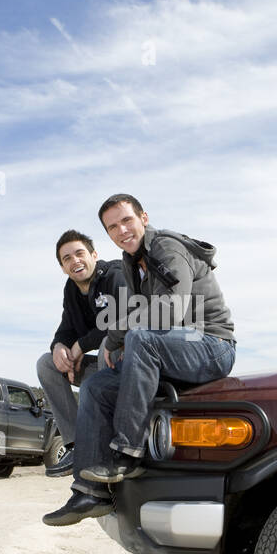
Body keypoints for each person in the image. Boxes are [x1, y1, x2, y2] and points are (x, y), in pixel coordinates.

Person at [43, 194, 236, 525]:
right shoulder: (133, 262)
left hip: (210, 344)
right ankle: (89, 491)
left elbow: (170, 311)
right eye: (112, 227)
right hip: (169, 348)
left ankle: (126, 453)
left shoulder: (167, 248)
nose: (121, 230)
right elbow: (135, 311)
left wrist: (114, 339)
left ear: (143, 218)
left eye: (126, 220)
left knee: (140, 338)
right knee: (97, 384)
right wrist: (112, 343)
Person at [36, 230, 123, 476]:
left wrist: (81, 345)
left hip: (129, 366)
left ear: (94, 255)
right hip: (104, 370)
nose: (74, 261)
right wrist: (59, 347)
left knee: (110, 342)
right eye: (66, 259)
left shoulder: (115, 275)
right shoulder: (71, 290)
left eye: (79, 253)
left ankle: (111, 442)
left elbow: (120, 320)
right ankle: (78, 446)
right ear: (63, 268)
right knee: (46, 364)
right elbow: (66, 328)